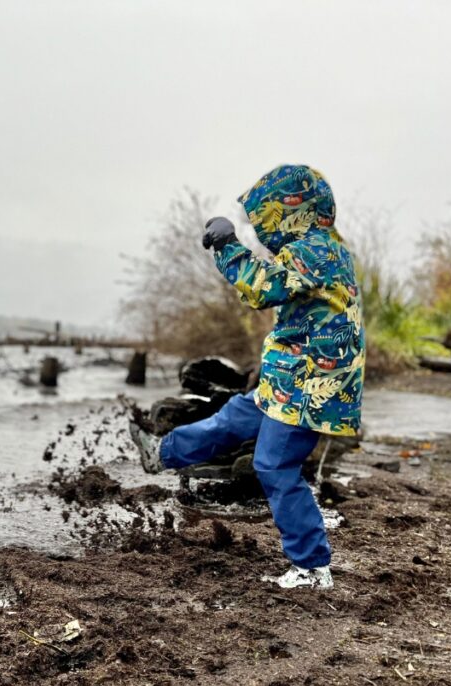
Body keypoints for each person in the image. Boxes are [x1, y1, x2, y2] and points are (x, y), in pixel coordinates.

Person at [129, 165, 365, 589]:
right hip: (288, 380)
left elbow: (263, 288)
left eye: (265, 216)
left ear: (290, 211)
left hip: (309, 387)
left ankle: (312, 568)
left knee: (274, 464)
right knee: (232, 419)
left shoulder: (315, 250)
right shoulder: (319, 247)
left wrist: (226, 245)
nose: (261, 227)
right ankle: (161, 453)